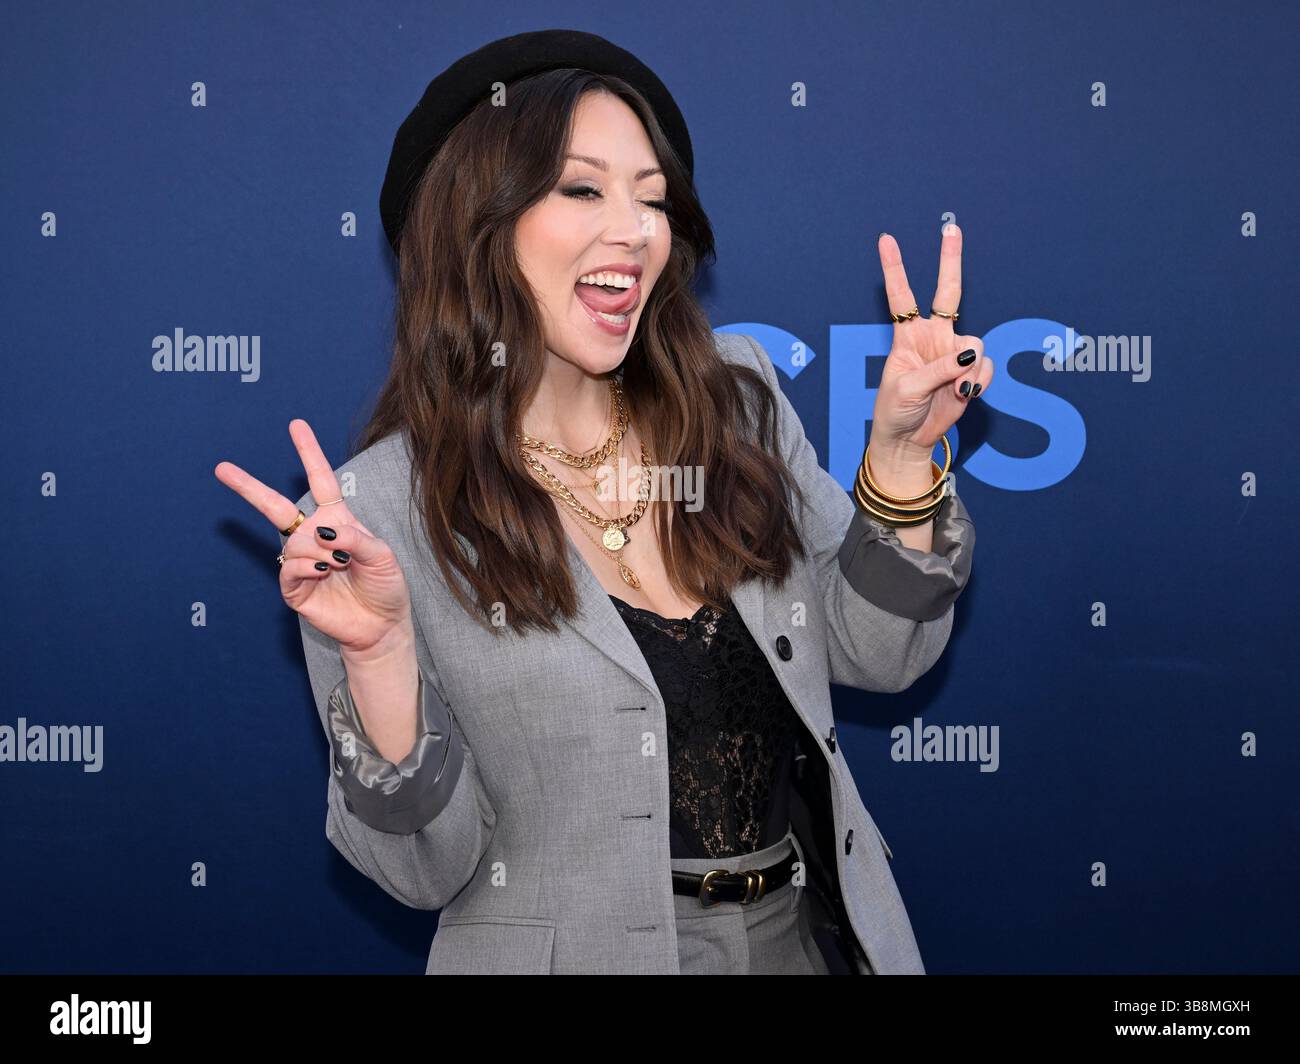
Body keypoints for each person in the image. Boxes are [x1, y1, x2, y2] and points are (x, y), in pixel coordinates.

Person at [214, 29, 990, 974]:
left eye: (653, 198)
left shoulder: (734, 400)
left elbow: (880, 651)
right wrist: (377, 656)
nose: (634, 229)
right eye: (582, 189)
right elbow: (424, 871)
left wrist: (904, 462)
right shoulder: (375, 513)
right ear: (477, 222)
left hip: (807, 943)